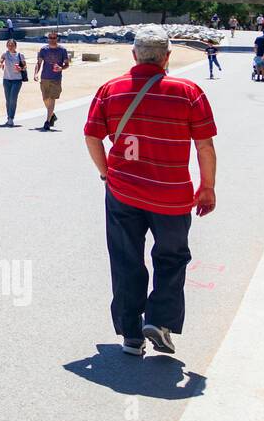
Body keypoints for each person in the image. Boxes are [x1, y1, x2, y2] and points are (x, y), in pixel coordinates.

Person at [83, 25, 217, 357]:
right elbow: (204, 146)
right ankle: (158, 320)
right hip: (172, 197)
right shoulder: (188, 92)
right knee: (172, 258)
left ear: (134, 55)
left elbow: (91, 136)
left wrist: (106, 173)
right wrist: (207, 187)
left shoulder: (110, 90)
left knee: (127, 259)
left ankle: (131, 334)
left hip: (123, 193)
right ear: (167, 57)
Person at [34, 31, 71, 130]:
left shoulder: (62, 50)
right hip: (44, 77)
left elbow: (67, 64)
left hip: (56, 78)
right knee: (45, 99)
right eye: (50, 38)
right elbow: (38, 63)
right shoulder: (43, 49)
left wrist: (61, 68)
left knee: (52, 98)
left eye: (54, 38)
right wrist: (36, 73)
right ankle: (52, 115)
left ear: (57, 39)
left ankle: (47, 121)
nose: (52, 40)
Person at [0, 38, 28, 127]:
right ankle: (9, 117)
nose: (10, 47)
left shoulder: (20, 55)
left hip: (17, 80)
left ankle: (11, 118)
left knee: (13, 99)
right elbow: (1, 61)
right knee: (8, 100)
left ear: (15, 46)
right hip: (6, 79)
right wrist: (0, 64)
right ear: (7, 46)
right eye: (9, 45)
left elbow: (25, 66)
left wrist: (21, 68)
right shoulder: (5, 54)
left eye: (12, 45)